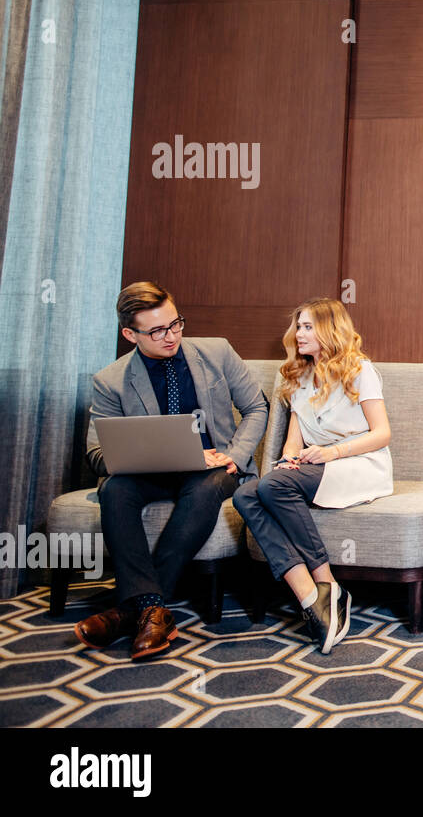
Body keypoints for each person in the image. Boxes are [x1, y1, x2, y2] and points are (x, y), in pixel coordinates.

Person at [74, 282, 268, 660]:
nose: (171, 336)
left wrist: (234, 455)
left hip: (213, 469)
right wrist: (130, 457)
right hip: (151, 473)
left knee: (206, 486)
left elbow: (257, 407)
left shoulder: (217, 352)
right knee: (114, 489)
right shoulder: (110, 380)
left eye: (175, 324)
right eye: (158, 331)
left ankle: (129, 611)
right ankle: (151, 611)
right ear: (130, 334)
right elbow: (95, 452)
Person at [232, 299, 392, 654]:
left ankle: (326, 582)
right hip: (315, 466)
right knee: (245, 494)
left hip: (358, 464)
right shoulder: (298, 375)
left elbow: (382, 434)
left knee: (272, 485)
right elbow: (294, 438)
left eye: (307, 327)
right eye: (298, 327)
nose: (298, 334)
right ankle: (309, 594)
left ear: (329, 331)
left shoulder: (360, 371)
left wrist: (332, 452)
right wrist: (288, 460)